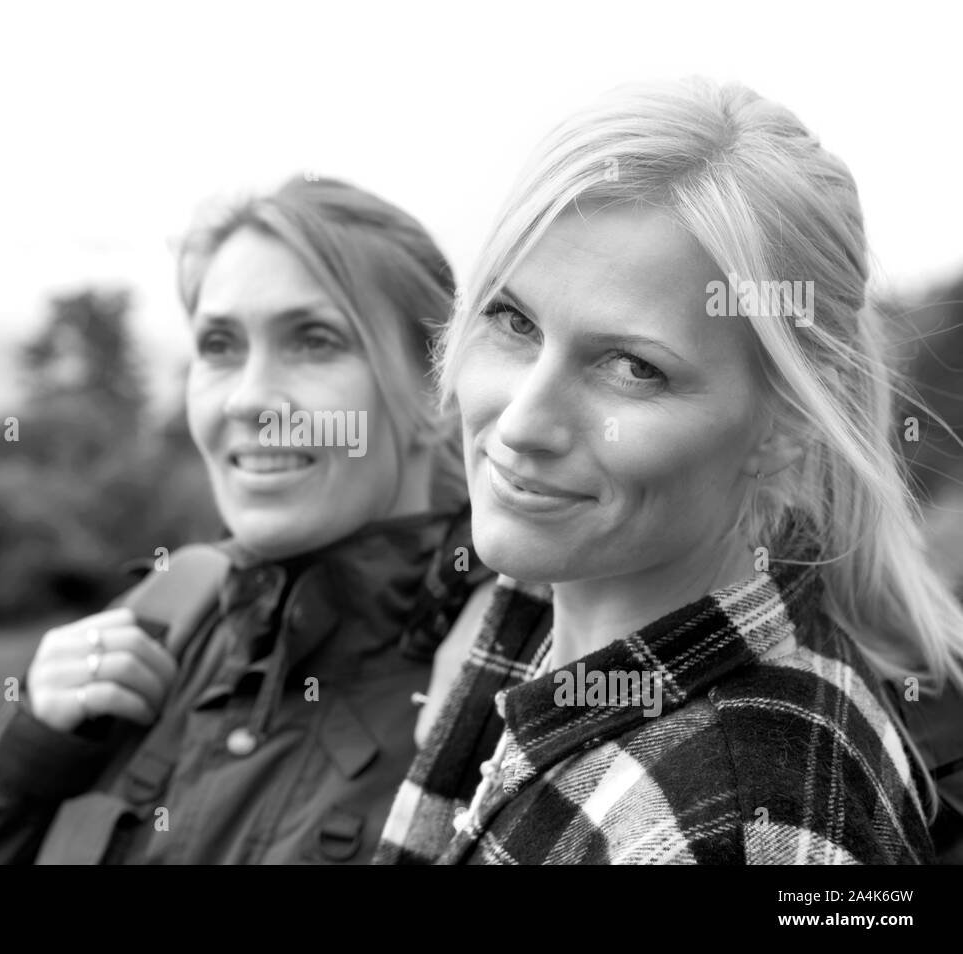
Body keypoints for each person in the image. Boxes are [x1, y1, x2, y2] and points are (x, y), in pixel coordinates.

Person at [376, 78, 963, 865]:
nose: (520, 424)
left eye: (631, 368)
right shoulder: (554, 612)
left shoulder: (741, 826)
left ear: (786, 427)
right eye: (512, 320)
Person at [0, 175, 491, 864]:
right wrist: (26, 753)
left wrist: (518, 592)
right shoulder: (171, 613)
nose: (249, 399)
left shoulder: (498, 695)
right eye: (220, 346)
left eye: (316, 340)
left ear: (439, 393)